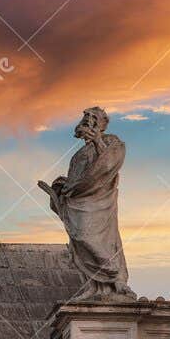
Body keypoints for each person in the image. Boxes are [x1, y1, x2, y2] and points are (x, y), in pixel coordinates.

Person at [39, 107, 134, 299]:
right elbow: (77, 179)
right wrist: (61, 187)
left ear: (103, 124)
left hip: (98, 200)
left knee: (88, 237)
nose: (89, 120)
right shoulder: (78, 155)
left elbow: (110, 164)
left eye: (94, 117)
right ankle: (94, 285)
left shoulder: (111, 141)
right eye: (86, 116)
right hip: (77, 202)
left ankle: (115, 278)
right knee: (78, 242)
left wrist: (98, 140)